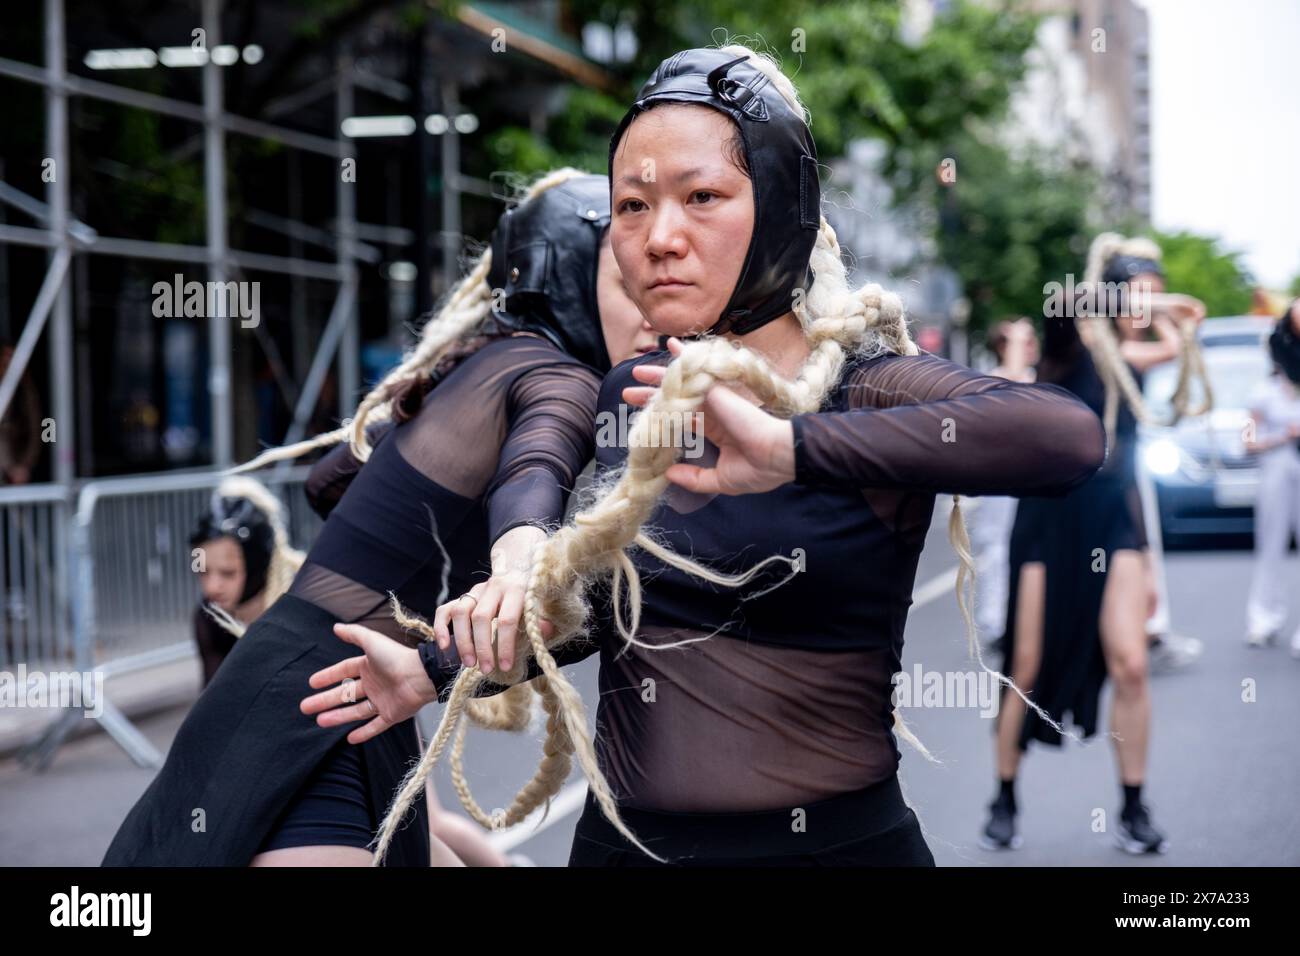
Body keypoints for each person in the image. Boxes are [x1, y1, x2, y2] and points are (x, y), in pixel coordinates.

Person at [306, 45, 1106, 867]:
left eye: (702, 196)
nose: (660, 238)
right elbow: (605, 601)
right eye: (632, 206)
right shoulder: (634, 392)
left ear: (780, 214)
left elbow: (1067, 437)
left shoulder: (868, 387)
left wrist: (788, 446)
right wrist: (436, 667)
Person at [101, 169, 652, 868]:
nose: (652, 304)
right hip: (318, 696)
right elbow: (534, 469)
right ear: (566, 277)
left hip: (350, 692)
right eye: (627, 278)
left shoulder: (486, 362)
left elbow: (332, 481)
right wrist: (517, 559)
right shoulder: (559, 380)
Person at [985, 232, 1207, 855]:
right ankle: (1003, 795)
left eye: (1155, 294)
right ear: (1113, 294)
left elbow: (1194, 317)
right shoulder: (1070, 345)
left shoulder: (1135, 365)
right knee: (1026, 665)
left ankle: (1134, 808)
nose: (1149, 305)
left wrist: (1149, 562)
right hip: (1051, 514)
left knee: (1132, 664)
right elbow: (1067, 302)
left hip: (1115, 517)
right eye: (1139, 293)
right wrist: (1125, 293)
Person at [188, 476, 304, 686]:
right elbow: (212, 699)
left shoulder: (296, 611)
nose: (212, 587)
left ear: (256, 565)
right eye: (203, 572)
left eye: (228, 573)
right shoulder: (209, 617)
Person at [972, 319, 1038, 646]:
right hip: (1002, 483)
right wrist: (1015, 339)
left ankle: (1026, 617)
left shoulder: (1037, 378)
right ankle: (997, 623)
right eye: (1023, 342)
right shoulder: (993, 379)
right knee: (999, 548)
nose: (1030, 347)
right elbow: (1010, 388)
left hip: (1033, 478)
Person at [1243, 364, 1300, 654]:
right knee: (1270, 545)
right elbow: (1248, 440)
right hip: (1275, 470)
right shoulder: (1264, 394)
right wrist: (1282, 438)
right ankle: (1263, 618)